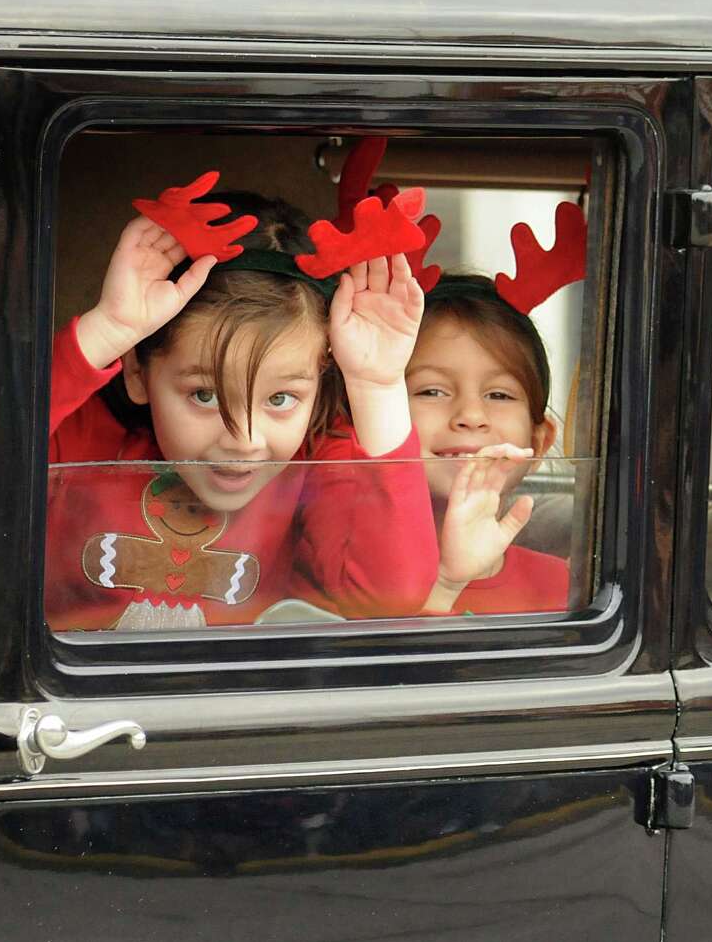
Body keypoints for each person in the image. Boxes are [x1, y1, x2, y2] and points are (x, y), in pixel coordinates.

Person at [45, 183, 439, 630]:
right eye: (205, 395)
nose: (244, 439)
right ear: (138, 371)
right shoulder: (79, 436)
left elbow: (391, 597)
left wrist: (376, 385)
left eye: (280, 399)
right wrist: (108, 330)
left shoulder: (319, 463)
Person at [406, 274, 569, 615]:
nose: (470, 416)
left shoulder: (565, 589)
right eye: (432, 391)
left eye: (499, 395)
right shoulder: (342, 579)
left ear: (539, 442)